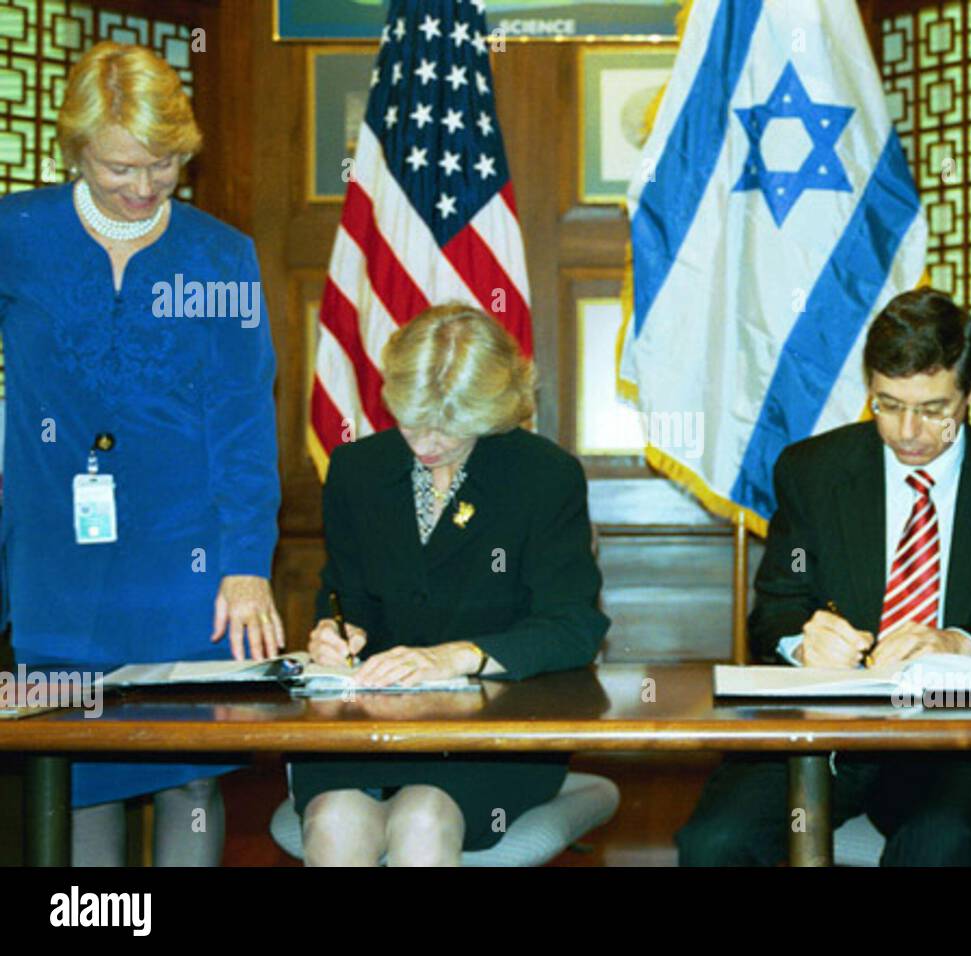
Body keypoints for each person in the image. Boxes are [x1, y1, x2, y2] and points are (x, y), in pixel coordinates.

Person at [676, 288, 971, 866]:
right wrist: (803, 643)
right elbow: (774, 607)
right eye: (887, 403)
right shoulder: (812, 471)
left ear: (969, 396)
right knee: (714, 843)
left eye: (932, 409)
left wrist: (959, 643)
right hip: (825, 738)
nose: (906, 431)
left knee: (934, 847)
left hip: (965, 742)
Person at [0, 42, 281, 866]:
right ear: (76, 152)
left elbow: (242, 422)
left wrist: (246, 562)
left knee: (188, 777)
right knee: (79, 774)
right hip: (59, 557)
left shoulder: (220, 255)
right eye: (120, 167)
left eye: (163, 165)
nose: (143, 187)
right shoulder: (18, 233)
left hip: (185, 559)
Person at [291, 303, 609, 866]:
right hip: (368, 727)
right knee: (337, 818)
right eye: (414, 421)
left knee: (422, 815)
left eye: (451, 427)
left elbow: (573, 626)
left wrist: (458, 656)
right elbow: (345, 596)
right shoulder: (356, 470)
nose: (427, 443)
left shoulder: (543, 476)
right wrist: (334, 635)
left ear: (496, 411)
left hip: (494, 730)